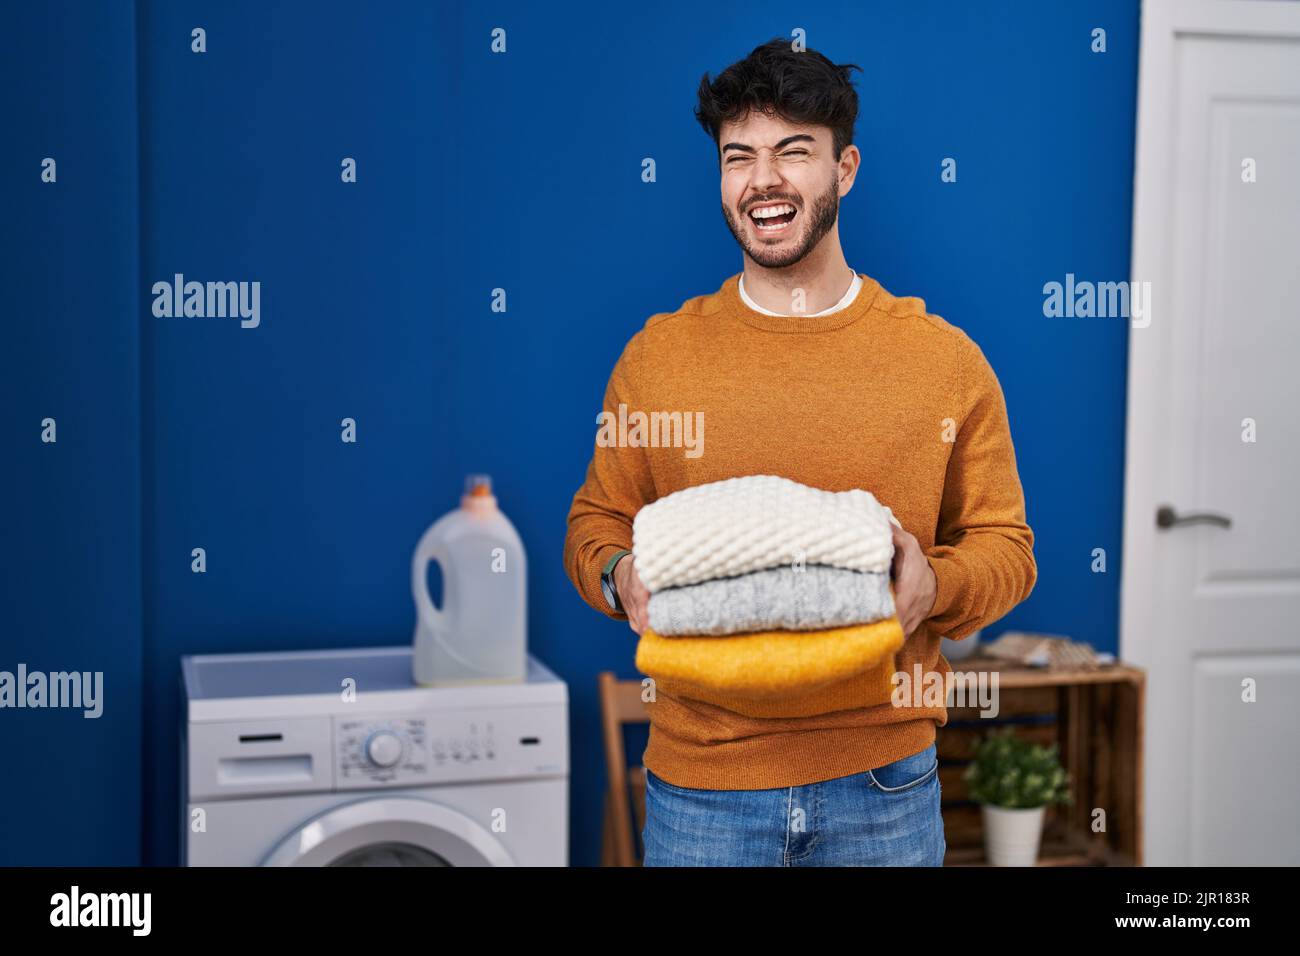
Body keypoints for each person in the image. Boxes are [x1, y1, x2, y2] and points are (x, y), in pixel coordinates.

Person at [563, 37, 1036, 866]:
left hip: (884, 784)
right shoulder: (659, 357)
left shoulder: (943, 362)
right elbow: (595, 523)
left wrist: (937, 586)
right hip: (703, 789)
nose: (764, 180)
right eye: (738, 155)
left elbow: (1008, 550)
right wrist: (617, 578)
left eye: (793, 152)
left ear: (844, 169)